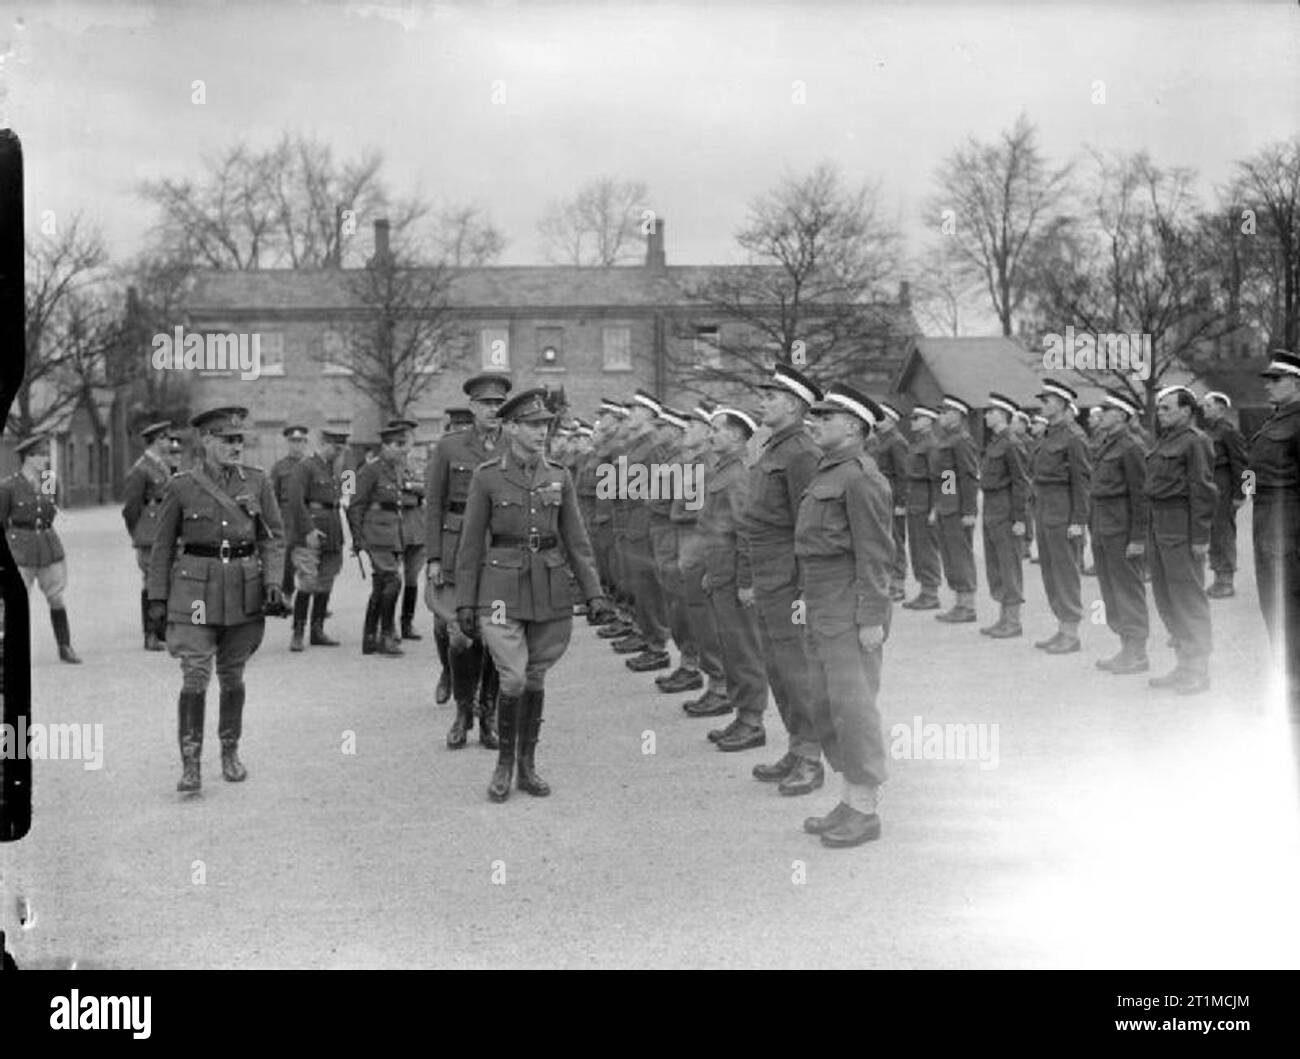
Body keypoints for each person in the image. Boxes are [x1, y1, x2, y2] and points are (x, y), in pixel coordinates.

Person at [454, 387, 612, 802]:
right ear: (511, 428)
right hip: (500, 589)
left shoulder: (559, 475)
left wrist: (593, 592)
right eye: (533, 425)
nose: (542, 433)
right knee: (514, 675)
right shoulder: (487, 476)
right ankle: (503, 764)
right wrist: (465, 602)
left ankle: (527, 764)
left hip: (549, 587)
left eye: (546, 425)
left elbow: (576, 539)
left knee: (536, 675)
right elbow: (470, 544)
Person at [146, 406, 286, 792]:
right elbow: (161, 548)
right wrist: (157, 597)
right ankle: (190, 763)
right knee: (194, 673)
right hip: (194, 591)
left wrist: (274, 582)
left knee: (233, 674)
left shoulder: (257, 482)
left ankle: (230, 752)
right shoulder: (181, 486)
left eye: (239, 440)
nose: (235, 447)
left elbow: (273, 537)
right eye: (227, 440)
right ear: (205, 441)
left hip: (244, 587)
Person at [796, 383, 894, 848]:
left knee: (854, 709)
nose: (814, 423)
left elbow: (875, 554)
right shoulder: (827, 472)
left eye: (825, 418)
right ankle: (849, 797)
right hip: (821, 606)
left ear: (853, 426)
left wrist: (872, 618)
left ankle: (866, 811)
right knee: (828, 705)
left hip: (849, 610)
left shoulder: (860, 477)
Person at [740, 362, 825, 795]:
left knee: (798, 670)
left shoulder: (801, 454)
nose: (762, 401)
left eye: (770, 396)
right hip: (769, 579)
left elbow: (806, 527)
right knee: (777, 669)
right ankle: (796, 746)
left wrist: (802, 591)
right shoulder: (774, 448)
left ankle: (812, 757)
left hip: (790, 584)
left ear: (793, 405)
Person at [426, 374, 511, 746]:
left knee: (495, 636)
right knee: (460, 637)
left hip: (500, 551)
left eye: (499, 404)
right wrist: (431, 557)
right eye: (487, 404)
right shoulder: (449, 447)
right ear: (473, 408)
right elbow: (434, 505)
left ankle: (488, 713)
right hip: (457, 549)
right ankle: (463, 712)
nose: (493, 410)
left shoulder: (516, 444)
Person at [697, 409, 768, 743]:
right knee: (730, 645)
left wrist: (745, 581)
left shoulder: (739, 474)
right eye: (710, 429)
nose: (710, 435)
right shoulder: (722, 470)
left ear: (738, 436)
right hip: (721, 570)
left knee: (744, 648)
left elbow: (746, 531)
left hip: (733, 574)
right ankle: (742, 714)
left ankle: (753, 721)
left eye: (717, 429)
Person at [1145, 385, 1217, 694]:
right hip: (1159, 523)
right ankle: (1183, 663)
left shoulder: (1195, 442)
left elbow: (1203, 490)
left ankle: (1199, 669)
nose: (1160, 414)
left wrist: (1200, 537)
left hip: (1181, 525)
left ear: (1186, 411)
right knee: (1166, 597)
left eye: (1167, 409)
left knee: (1187, 598)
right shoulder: (1165, 441)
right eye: (1159, 409)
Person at [1249, 350, 1300, 723]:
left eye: (1276, 379)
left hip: (1289, 518)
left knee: (1291, 605)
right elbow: (1252, 470)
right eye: (1267, 379)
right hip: (1266, 516)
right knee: (1273, 603)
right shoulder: (1275, 421)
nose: (1268, 384)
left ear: (1296, 383)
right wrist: (1245, 490)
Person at [0, 434, 81, 663]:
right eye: (42, 454)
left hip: (47, 546)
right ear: (28, 458)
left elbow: (50, 511)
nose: (46, 458)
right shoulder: (9, 486)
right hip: (20, 548)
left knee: (56, 597)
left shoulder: (49, 481)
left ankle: (65, 646)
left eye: (46, 453)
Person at [673, 401, 730, 713]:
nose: (686, 429)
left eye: (693, 425)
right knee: (696, 614)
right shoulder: (695, 462)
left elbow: (703, 515)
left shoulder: (707, 466)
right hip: (689, 539)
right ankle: (715, 682)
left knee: (706, 618)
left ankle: (720, 686)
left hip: (698, 540)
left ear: (709, 432)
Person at [1089, 390, 1151, 675]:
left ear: (1123, 416)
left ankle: (1137, 652)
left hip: (1122, 529)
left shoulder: (1131, 447)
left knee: (1127, 589)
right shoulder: (1105, 444)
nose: (1101, 413)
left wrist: (1138, 537)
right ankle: (1126, 647)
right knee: (1111, 591)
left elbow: (1141, 495)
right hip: (1103, 527)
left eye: (1108, 409)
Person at [1030, 379, 1091, 654]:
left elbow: (1082, 482)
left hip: (1063, 511)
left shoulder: (1073, 437)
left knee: (1065, 572)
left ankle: (1071, 633)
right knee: (1050, 572)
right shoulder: (1048, 435)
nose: (1042, 404)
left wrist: (1079, 520)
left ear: (1062, 404)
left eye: (1047, 400)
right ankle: (1062, 628)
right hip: (1044, 509)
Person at [283, 428, 348, 651]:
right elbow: (295, 499)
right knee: (308, 581)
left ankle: (317, 630)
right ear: (323, 444)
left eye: (341, 449)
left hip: (332, 530)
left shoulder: (337, 469)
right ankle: (298, 632)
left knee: (326, 581)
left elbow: (343, 500)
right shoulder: (306, 467)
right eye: (334, 448)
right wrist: (308, 529)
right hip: (310, 532)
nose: (337, 452)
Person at [349, 425, 409, 657]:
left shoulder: (395, 469)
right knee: (393, 581)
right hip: (375, 535)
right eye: (397, 445)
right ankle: (386, 636)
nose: (401, 450)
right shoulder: (370, 470)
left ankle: (369, 638)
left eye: (402, 445)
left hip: (391, 535)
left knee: (381, 585)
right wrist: (357, 538)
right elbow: (355, 505)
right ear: (384, 446)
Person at [121, 419, 175, 651]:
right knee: (152, 583)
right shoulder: (141, 469)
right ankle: (151, 634)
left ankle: (161, 630)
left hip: (162, 533)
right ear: (156, 441)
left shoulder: (161, 466)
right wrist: (139, 532)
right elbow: (130, 508)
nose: (169, 442)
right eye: (165, 438)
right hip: (149, 535)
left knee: (163, 581)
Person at [979, 393, 1028, 638]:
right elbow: (949, 475)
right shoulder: (994, 442)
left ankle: (1012, 621)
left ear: (1003, 414)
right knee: (996, 566)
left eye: (990, 411)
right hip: (990, 507)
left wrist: (1020, 518)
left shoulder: (1011, 442)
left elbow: (1021, 482)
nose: (986, 415)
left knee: (1008, 565)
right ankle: (1003, 618)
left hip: (1005, 509)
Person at [930, 395, 980, 623]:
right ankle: (960, 603)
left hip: (959, 509)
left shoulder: (961, 440)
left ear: (957, 415)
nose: (940, 417)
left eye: (945, 412)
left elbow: (968, 476)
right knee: (950, 556)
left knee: (960, 556)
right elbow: (947, 476)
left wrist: (969, 510)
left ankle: (967, 606)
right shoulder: (947, 440)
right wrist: (941, 504)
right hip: (949, 506)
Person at [1200, 392, 1249, 599]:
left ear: (1221, 409)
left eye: (1209, 405)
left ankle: (1226, 581)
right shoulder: (1206, 431)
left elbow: (1245, 464)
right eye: (1204, 405)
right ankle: (1218, 577)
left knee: (1223, 534)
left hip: (1225, 489)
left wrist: (1244, 494)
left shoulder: (1229, 432)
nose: (1205, 409)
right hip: (1210, 489)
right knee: (1212, 534)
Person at [866, 400, 909, 602]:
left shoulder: (897, 441)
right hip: (879, 497)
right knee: (883, 541)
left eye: (882, 416)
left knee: (895, 542)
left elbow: (903, 474)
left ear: (891, 420)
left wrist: (902, 502)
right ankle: (887, 581)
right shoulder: (879, 441)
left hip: (892, 498)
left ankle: (898, 584)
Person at [901, 406, 942, 609]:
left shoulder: (932, 445)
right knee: (917, 548)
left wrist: (938, 506)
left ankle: (931, 592)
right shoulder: (918, 443)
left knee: (926, 549)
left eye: (917, 418)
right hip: (915, 502)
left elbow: (942, 478)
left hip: (926, 502)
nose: (912, 421)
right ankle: (925, 590)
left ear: (928, 420)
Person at [271, 426, 310, 606]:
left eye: (301, 441)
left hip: (309, 515)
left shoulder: (311, 465)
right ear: (288, 443)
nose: (297, 445)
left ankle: (311, 599)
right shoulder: (279, 467)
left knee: (310, 558)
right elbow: (273, 497)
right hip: (287, 517)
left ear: (305, 443)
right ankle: (287, 595)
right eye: (294, 441)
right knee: (287, 558)